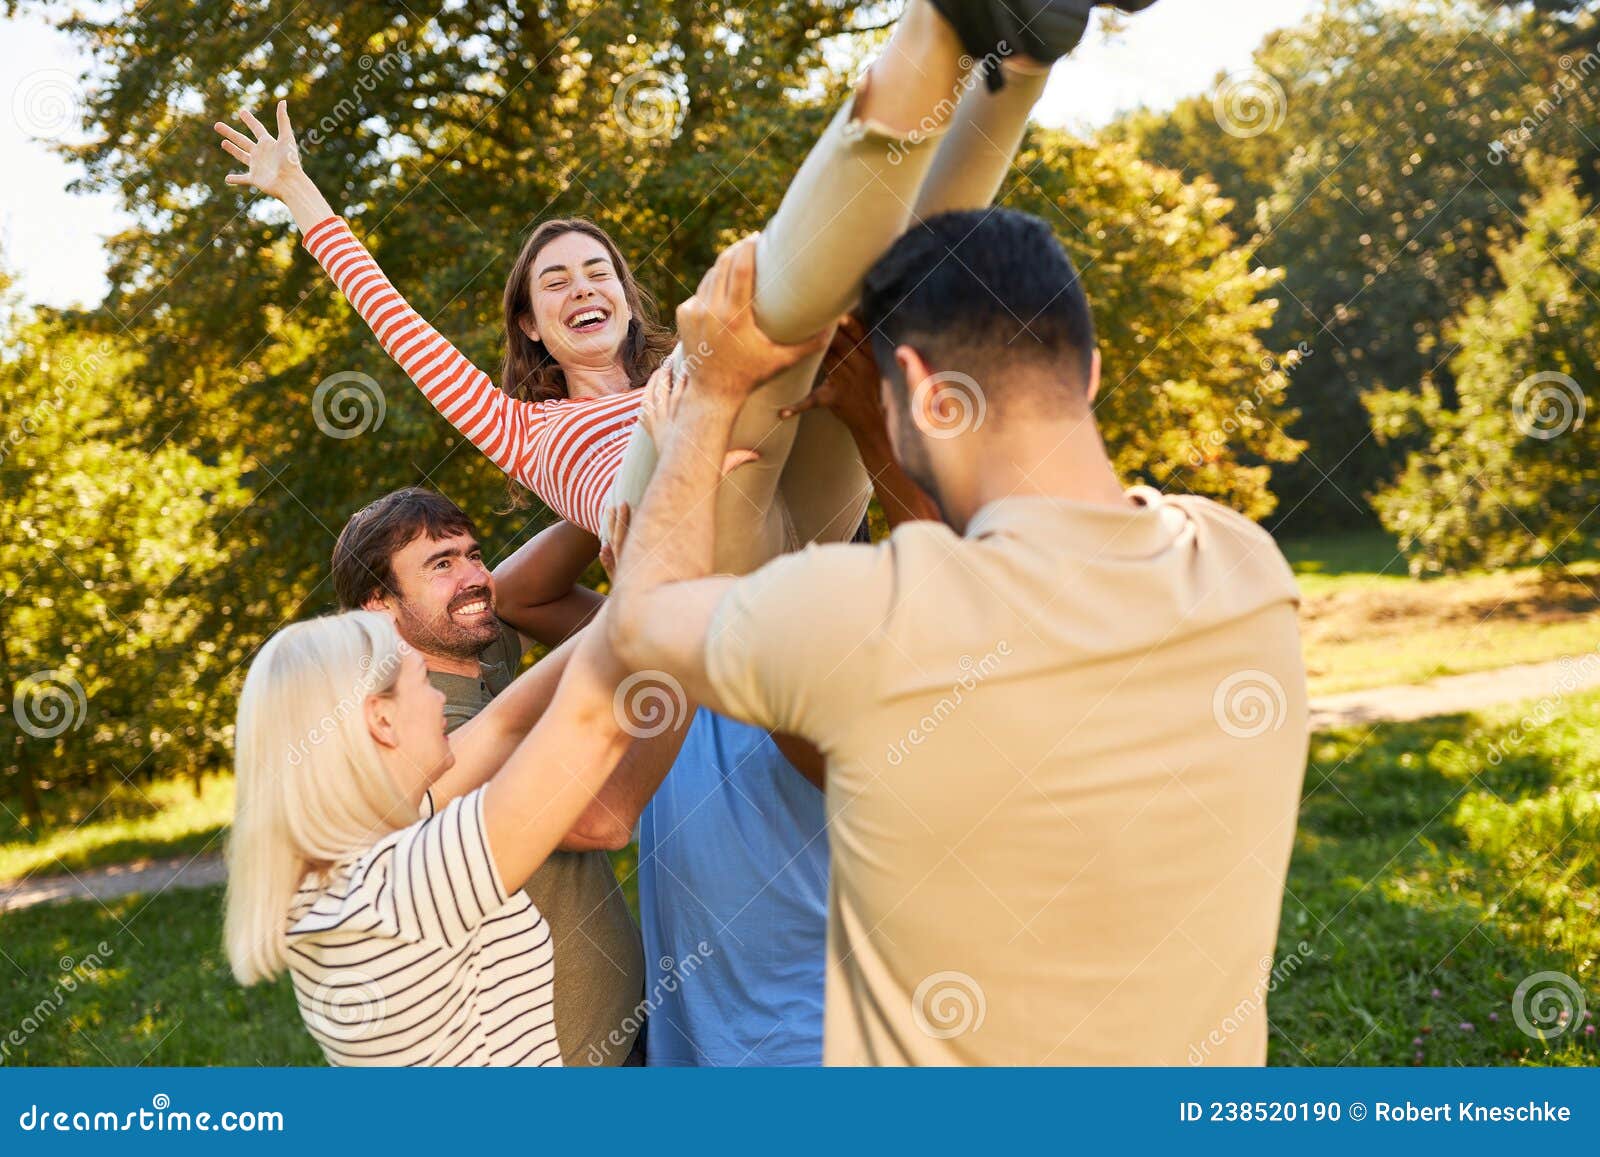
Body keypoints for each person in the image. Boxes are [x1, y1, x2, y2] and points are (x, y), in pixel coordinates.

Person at [605, 193, 1309, 1065]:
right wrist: (877, 420)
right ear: (1086, 371)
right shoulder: (1244, 567)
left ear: (929, 395)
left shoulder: (860, 618)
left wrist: (708, 395)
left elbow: (639, 617)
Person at [211, 0, 1136, 575]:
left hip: (799, 502)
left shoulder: (676, 363)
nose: (583, 288)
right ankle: (938, 27)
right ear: (530, 326)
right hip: (695, 535)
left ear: (622, 294)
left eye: (597, 271)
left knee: (871, 308)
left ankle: (1016, 59)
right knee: (732, 346)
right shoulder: (519, 427)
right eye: (555, 282)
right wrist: (299, 193)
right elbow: (395, 321)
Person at [327, 487, 647, 1065]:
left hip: (620, 1023)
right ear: (381, 604)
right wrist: (652, 608)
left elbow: (521, 586)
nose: (473, 576)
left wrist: (621, 485)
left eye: (472, 554)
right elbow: (605, 820)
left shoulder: (475, 654)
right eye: (441, 565)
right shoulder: (422, 737)